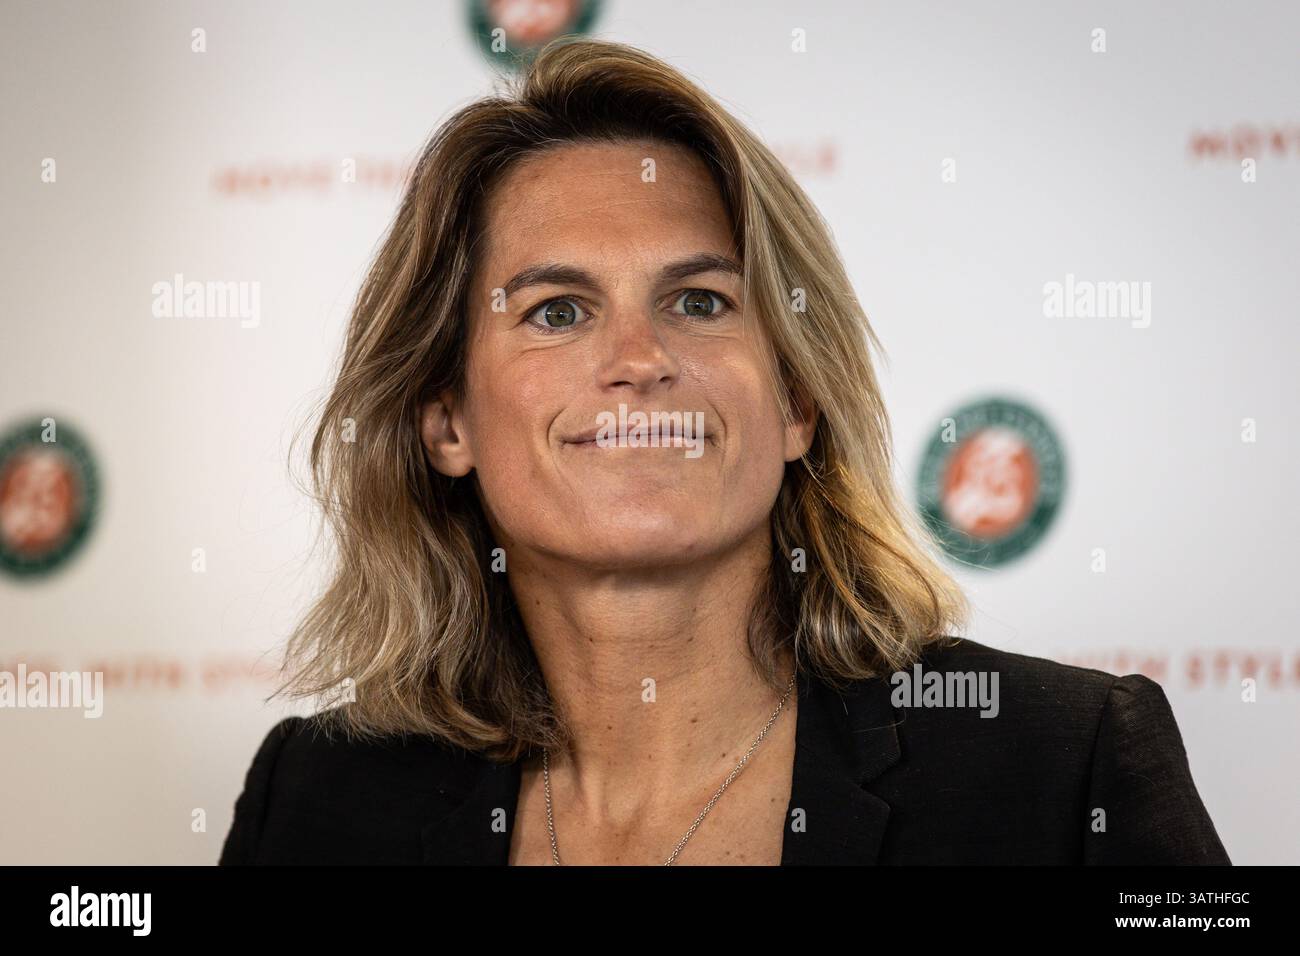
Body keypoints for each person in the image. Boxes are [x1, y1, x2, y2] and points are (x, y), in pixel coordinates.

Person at [219, 38, 1229, 866]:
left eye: (699, 301)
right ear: (447, 423)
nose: (638, 358)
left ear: (795, 400)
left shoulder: (1059, 763)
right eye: (556, 310)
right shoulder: (313, 797)